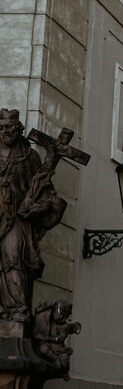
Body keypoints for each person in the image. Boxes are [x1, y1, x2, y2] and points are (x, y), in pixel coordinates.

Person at [0, 109, 65, 322]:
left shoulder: (30, 157)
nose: (4, 131)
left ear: (18, 129)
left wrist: (40, 207)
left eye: (8, 127)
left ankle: (18, 309)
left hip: (16, 219)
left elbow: (45, 191)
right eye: (0, 128)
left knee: (13, 257)